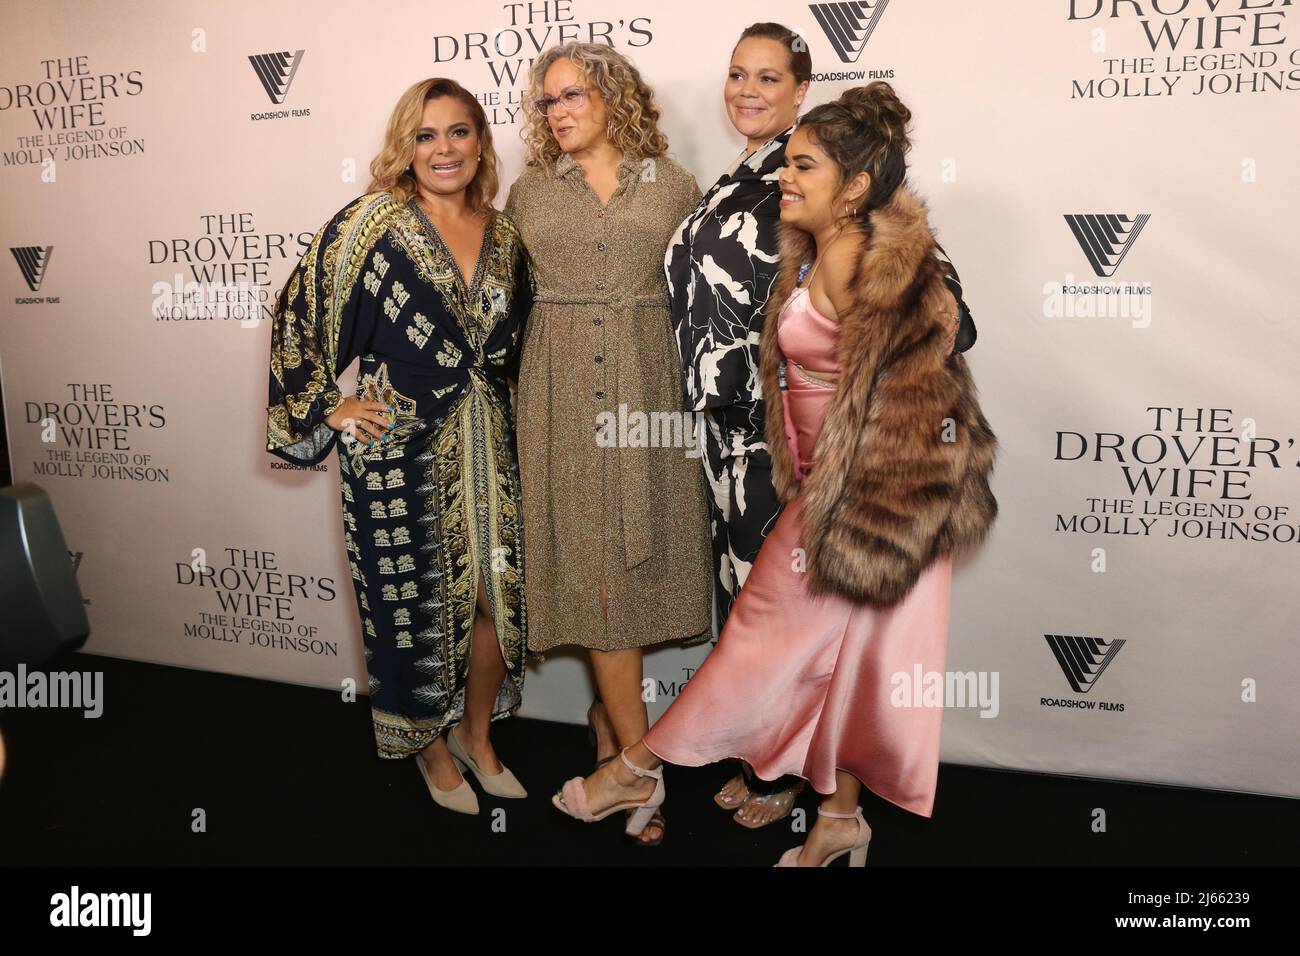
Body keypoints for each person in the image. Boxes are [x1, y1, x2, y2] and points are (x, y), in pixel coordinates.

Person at [550, 82, 1000, 865]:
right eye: (786, 164)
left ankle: (636, 767)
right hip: (824, 483)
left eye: (803, 167)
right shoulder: (825, 242)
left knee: (757, 645)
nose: (783, 180)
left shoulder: (867, 259)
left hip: (871, 503)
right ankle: (838, 822)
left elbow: (921, 396)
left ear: (856, 186)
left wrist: (870, 520)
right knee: (854, 662)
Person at [665, 22, 980, 829]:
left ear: (801, 89)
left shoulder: (829, 178)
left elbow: (938, 306)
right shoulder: (740, 178)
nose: (747, 90)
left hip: (805, 447)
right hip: (736, 429)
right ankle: (771, 759)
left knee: (799, 624)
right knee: (754, 609)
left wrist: (924, 324)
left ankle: (803, 784)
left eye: (769, 77)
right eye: (737, 74)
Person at [265, 77, 533, 816]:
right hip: (398, 455)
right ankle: (431, 750)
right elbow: (300, 312)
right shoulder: (374, 224)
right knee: (411, 610)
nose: (443, 149)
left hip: (492, 447)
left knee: (489, 603)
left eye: (457, 132)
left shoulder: (507, 235)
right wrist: (332, 406)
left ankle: (479, 738)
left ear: (480, 141)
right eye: (425, 135)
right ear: (405, 146)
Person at [504, 42, 713, 846]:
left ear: (613, 96)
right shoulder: (527, 192)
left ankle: (612, 733)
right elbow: (496, 298)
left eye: (574, 95)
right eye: (548, 100)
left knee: (636, 567)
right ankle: (637, 761)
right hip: (558, 399)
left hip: (647, 395)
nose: (559, 112)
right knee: (591, 571)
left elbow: (701, 297)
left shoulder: (675, 185)